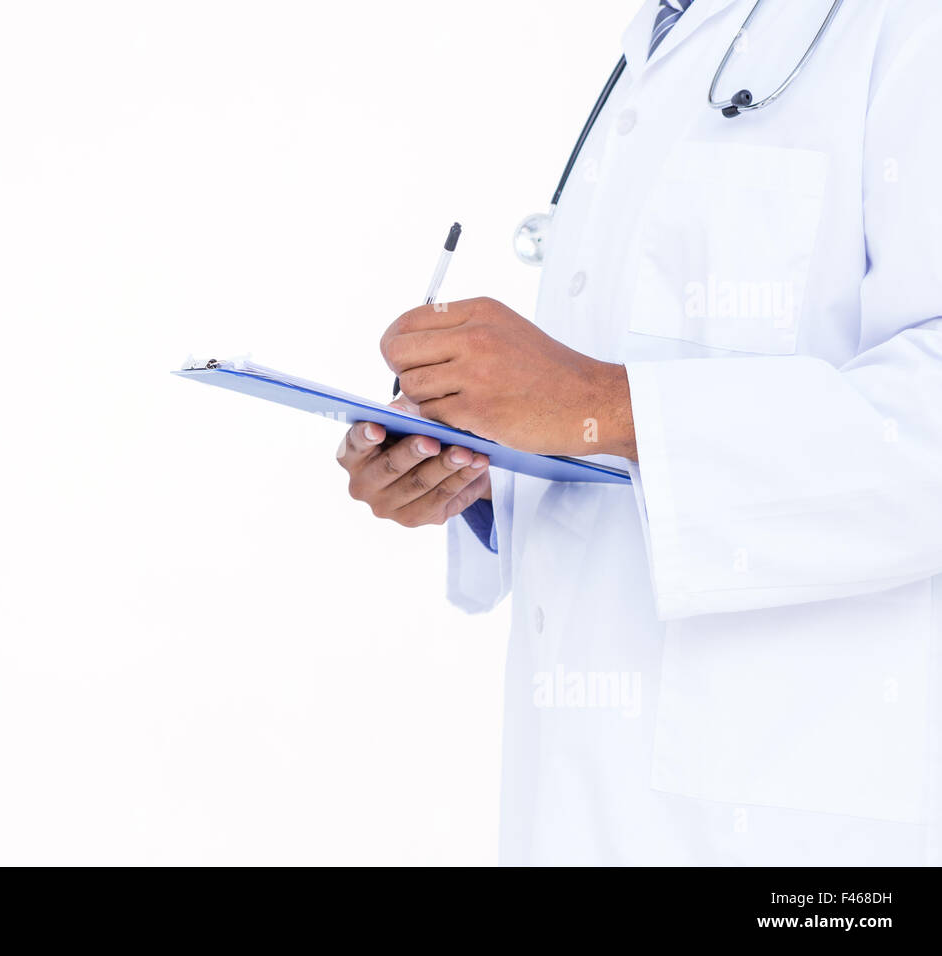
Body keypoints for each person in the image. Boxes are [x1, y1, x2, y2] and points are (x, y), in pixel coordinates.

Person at [336, 0, 942, 865]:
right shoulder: (663, 40)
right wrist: (469, 465)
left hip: (809, 840)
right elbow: (613, 409)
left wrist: (600, 402)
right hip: (585, 805)